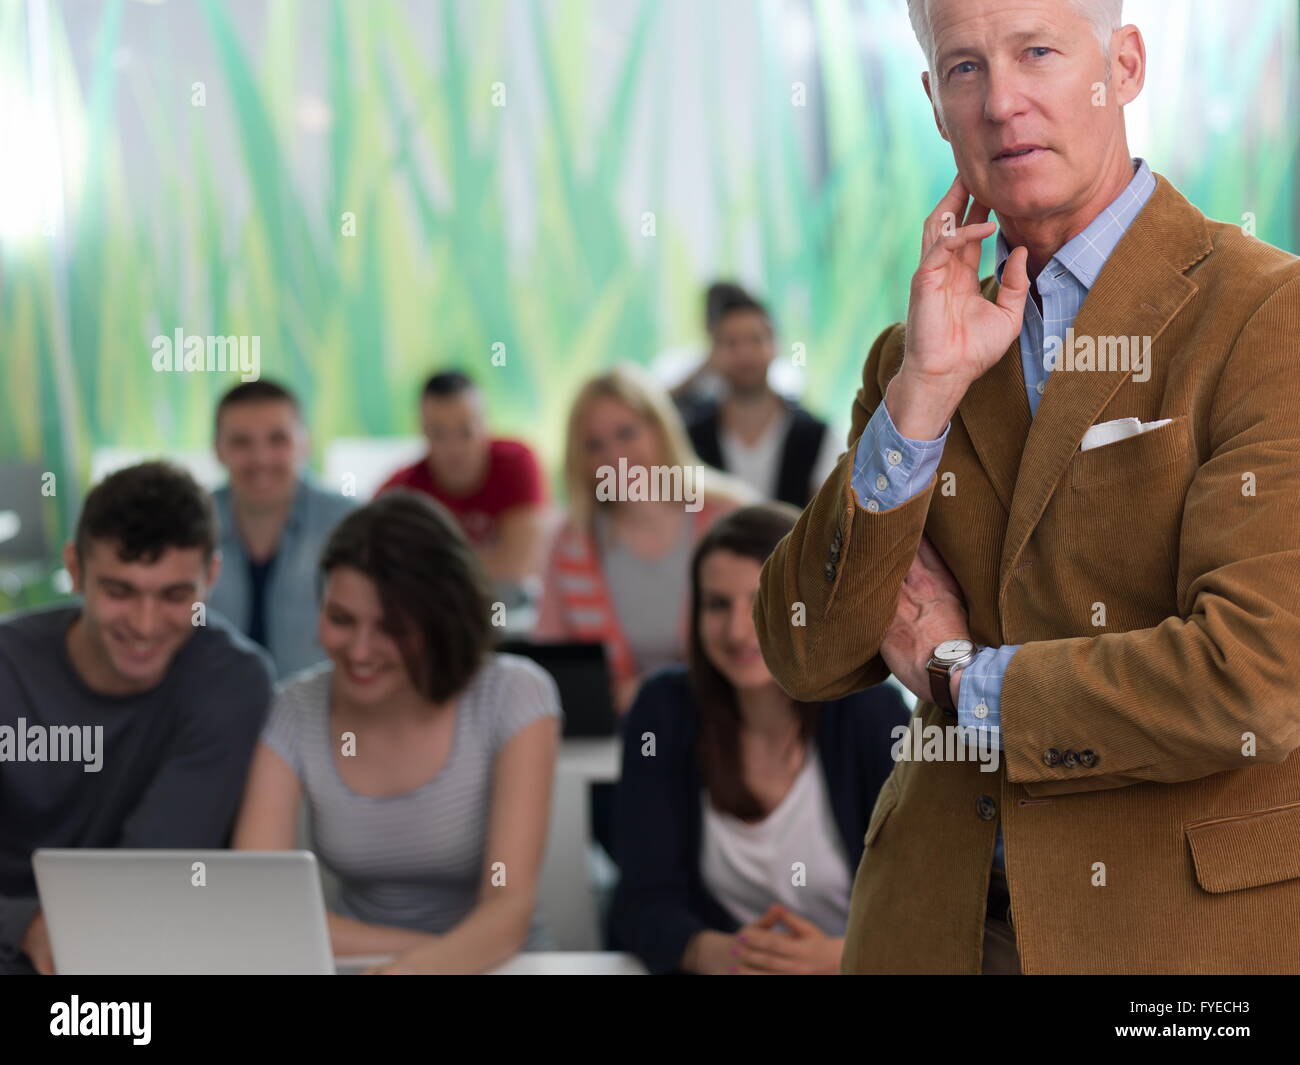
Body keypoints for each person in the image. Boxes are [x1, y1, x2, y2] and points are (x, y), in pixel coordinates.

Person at [755, 0, 1300, 975]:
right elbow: (805, 650)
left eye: (1036, 53)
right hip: (929, 926)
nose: (1001, 102)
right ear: (932, 101)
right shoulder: (914, 353)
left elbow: (1250, 684)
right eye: (963, 68)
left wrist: (958, 681)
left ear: (1123, 65)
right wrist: (920, 396)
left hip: (1169, 946)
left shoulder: (1266, 314)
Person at [233, 492, 561, 974]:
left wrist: (409, 969)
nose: (361, 651)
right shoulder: (295, 710)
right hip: (364, 965)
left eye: (392, 627)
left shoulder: (513, 695)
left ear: (440, 621)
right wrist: (420, 957)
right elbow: (260, 908)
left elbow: (508, 909)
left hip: (500, 967)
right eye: (341, 620)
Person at [610, 504, 909, 974]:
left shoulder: (870, 711)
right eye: (716, 604)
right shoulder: (662, 710)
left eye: (758, 603)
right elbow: (640, 900)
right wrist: (721, 953)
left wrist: (841, 957)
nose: (736, 631)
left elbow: (930, 898)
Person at [0, 462, 274, 975]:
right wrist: (23, 925)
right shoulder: (7, 669)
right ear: (75, 570)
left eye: (175, 595)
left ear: (210, 578)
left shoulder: (230, 681)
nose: (146, 626)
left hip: (132, 956)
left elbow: (151, 875)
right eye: (120, 591)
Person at [534, 364, 752, 714]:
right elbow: (552, 665)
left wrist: (658, 694)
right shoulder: (569, 543)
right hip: (620, 738)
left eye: (626, 433)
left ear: (659, 430)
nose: (614, 456)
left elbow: (770, 643)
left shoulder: (730, 516)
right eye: (594, 445)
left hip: (730, 722)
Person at [208, 380, 356, 679]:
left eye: (278, 439)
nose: (260, 459)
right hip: (212, 717)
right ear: (218, 450)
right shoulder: (189, 525)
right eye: (241, 442)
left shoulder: (352, 524)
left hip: (324, 716)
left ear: (305, 444)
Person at [376, 370, 547, 589]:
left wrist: (427, 563)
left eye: (465, 431)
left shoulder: (517, 463)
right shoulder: (400, 491)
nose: (453, 448)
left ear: (486, 424)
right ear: (422, 431)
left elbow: (520, 564)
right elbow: (379, 566)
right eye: (438, 433)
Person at [685, 289, 841, 508]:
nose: (745, 354)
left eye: (756, 340)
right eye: (731, 343)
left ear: (776, 346)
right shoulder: (689, 437)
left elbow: (827, 520)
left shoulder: (818, 435)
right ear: (712, 352)